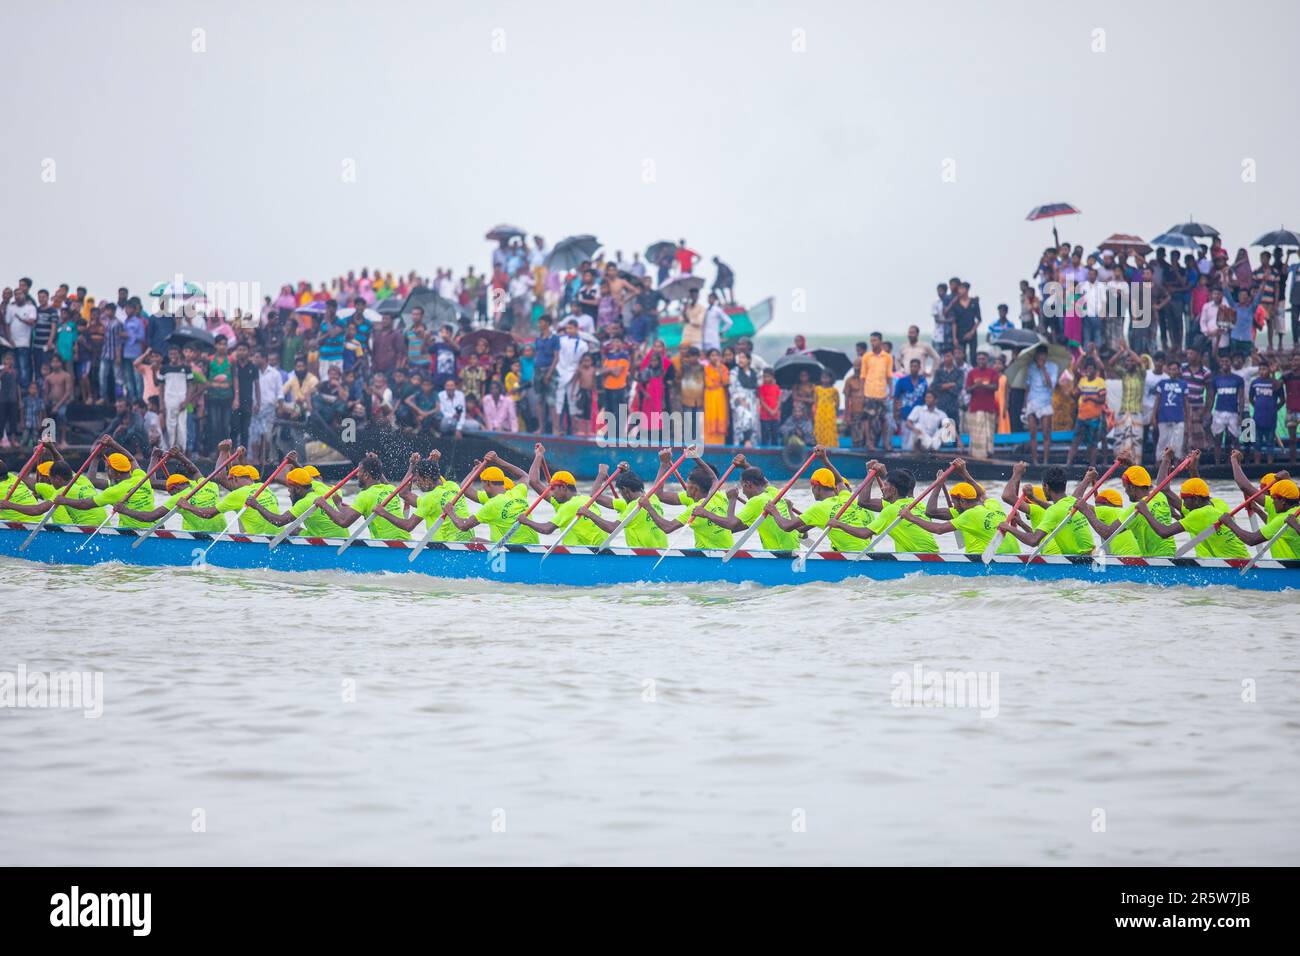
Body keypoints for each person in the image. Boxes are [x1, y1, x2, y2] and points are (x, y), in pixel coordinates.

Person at [896, 462, 1019, 556]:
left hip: (985, 558)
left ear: (963, 501)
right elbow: (931, 512)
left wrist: (911, 517)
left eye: (954, 502)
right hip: (1015, 555)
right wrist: (963, 473)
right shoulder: (993, 504)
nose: (953, 506)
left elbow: (939, 529)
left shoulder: (968, 515)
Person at [1129, 477, 1249, 559]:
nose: (1183, 504)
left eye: (1184, 499)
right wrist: (1167, 460)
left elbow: (1164, 532)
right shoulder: (1219, 504)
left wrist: (1145, 511)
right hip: (1242, 558)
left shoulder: (1199, 514)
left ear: (1195, 499)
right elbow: (1164, 488)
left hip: (1236, 564)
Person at [827, 468, 938, 553]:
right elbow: (864, 502)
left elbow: (864, 533)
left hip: (920, 558)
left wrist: (839, 524)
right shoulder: (918, 505)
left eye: (885, 485)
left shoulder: (891, 510)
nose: (882, 488)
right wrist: (871, 473)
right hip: (935, 554)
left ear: (893, 490)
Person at [998, 463, 1094, 555]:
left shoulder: (1052, 511)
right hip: (1091, 556)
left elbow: (1033, 541)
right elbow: (1076, 494)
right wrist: (1088, 478)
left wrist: (1008, 528)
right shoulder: (1074, 502)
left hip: (1078, 564)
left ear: (1046, 486)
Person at [53, 443, 155, 528]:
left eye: (107, 470)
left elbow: (85, 504)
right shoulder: (141, 477)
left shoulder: (114, 491)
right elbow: (132, 459)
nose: (106, 472)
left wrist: (64, 500)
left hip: (132, 534)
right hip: (152, 528)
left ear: (116, 473)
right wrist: (112, 443)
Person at [313, 452, 410, 540]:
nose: (357, 474)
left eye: (359, 471)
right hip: (406, 541)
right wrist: (338, 505)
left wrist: (323, 504)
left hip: (387, 546)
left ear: (366, 475)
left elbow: (344, 521)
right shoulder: (391, 489)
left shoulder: (365, 495)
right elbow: (352, 512)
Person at [1218, 478, 1300, 559]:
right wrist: (1258, 510)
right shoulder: (1293, 513)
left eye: (1273, 498)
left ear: (1282, 500)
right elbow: (1272, 527)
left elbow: (1251, 539)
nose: (1272, 502)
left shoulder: (1284, 519)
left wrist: (1229, 523)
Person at [1066, 351, 1107, 468]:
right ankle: (1068, 464)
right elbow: (1077, 394)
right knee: (1075, 441)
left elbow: (1102, 400)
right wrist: (1072, 394)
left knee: (1093, 444)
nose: (1089, 371)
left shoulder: (1100, 382)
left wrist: (1090, 398)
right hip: (1081, 417)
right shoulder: (1082, 381)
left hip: (1094, 418)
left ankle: (1092, 467)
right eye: (1087, 369)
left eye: (1091, 369)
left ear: (1095, 369)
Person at [1022, 347, 1058, 466]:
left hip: (1045, 402)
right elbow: (1028, 386)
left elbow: (1051, 385)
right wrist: (1025, 404)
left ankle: (1046, 461)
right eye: (1039, 356)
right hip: (1032, 401)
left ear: (1046, 356)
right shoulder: (1030, 367)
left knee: (1046, 433)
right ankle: (1035, 461)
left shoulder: (1053, 367)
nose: (1040, 358)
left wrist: (1043, 368)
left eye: (1043, 355)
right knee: (1032, 433)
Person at [964, 351, 999, 459]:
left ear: (987, 360)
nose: (981, 361)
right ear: (976, 360)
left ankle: (988, 454)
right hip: (975, 408)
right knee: (976, 434)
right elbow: (967, 389)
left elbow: (995, 387)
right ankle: (976, 455)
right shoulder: (971, 373)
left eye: (983, 359)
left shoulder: (992, 372)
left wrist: (982, 385)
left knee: (989, 434)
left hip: (988, 408)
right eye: (979, 359)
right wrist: (976, 385)